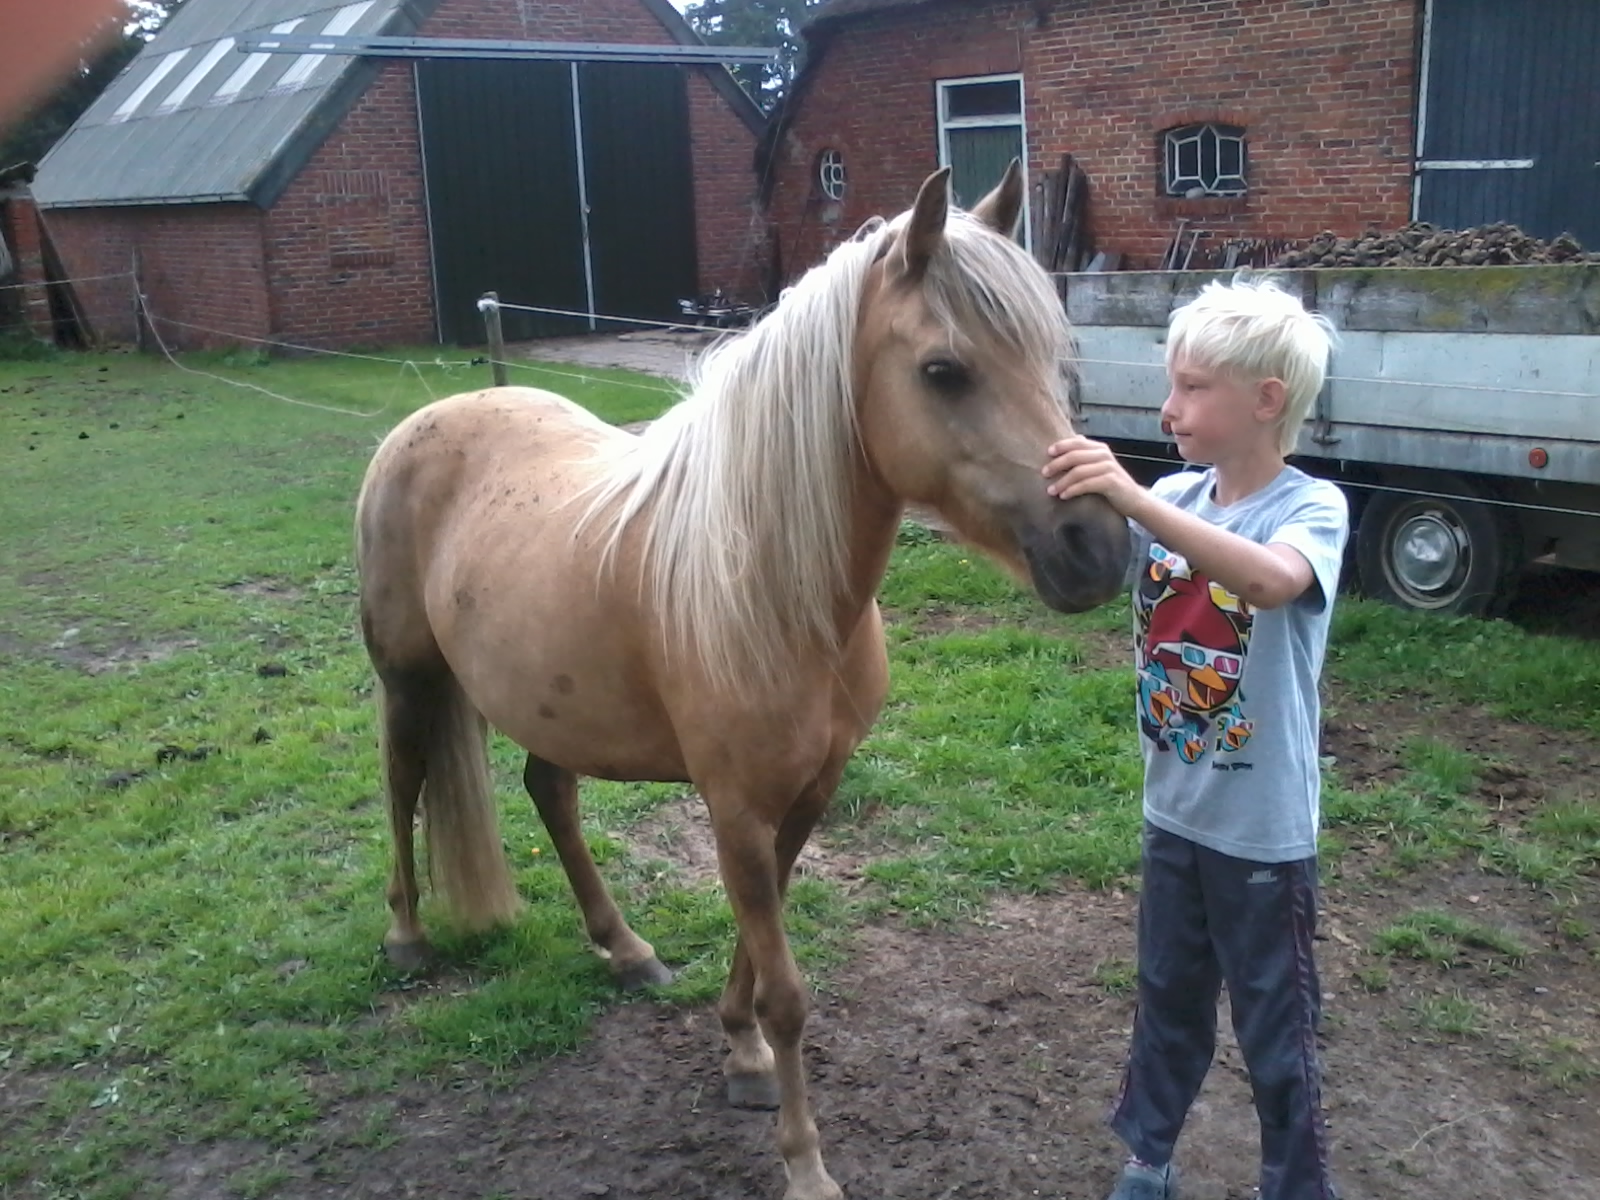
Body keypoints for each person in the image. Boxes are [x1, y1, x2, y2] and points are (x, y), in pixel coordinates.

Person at [1042, 276, 1347, 1200]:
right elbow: (1084, 559)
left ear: (1266, 400)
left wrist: (1137, 502)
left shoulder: (1309, 510)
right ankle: (1149, 1157)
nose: (1170, 408)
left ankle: (1294, 1184)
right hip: (1174, 815)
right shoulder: (1174, 493)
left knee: (1275, 1028)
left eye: (1193, 387)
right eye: (1170, 385)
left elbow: (1268, 584)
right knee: (1166, 1002)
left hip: (1261, 834)